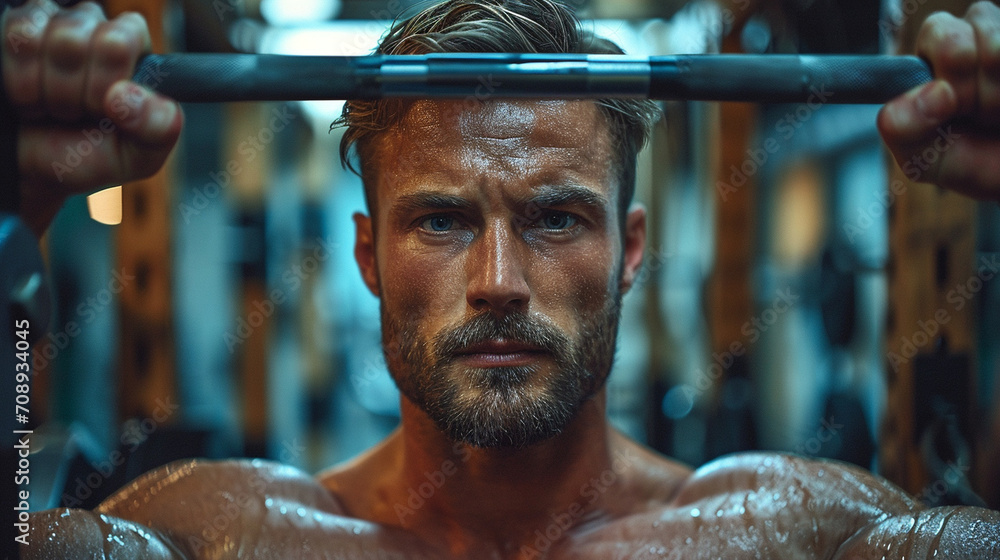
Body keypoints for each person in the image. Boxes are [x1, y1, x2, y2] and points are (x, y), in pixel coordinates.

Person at [4, 0, 999, 557]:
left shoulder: (790, 535)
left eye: (555, 216)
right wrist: (15, 210)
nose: (497, 280)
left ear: (632, 248)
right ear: (366, 255)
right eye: (440, 218)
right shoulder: (230, 537)